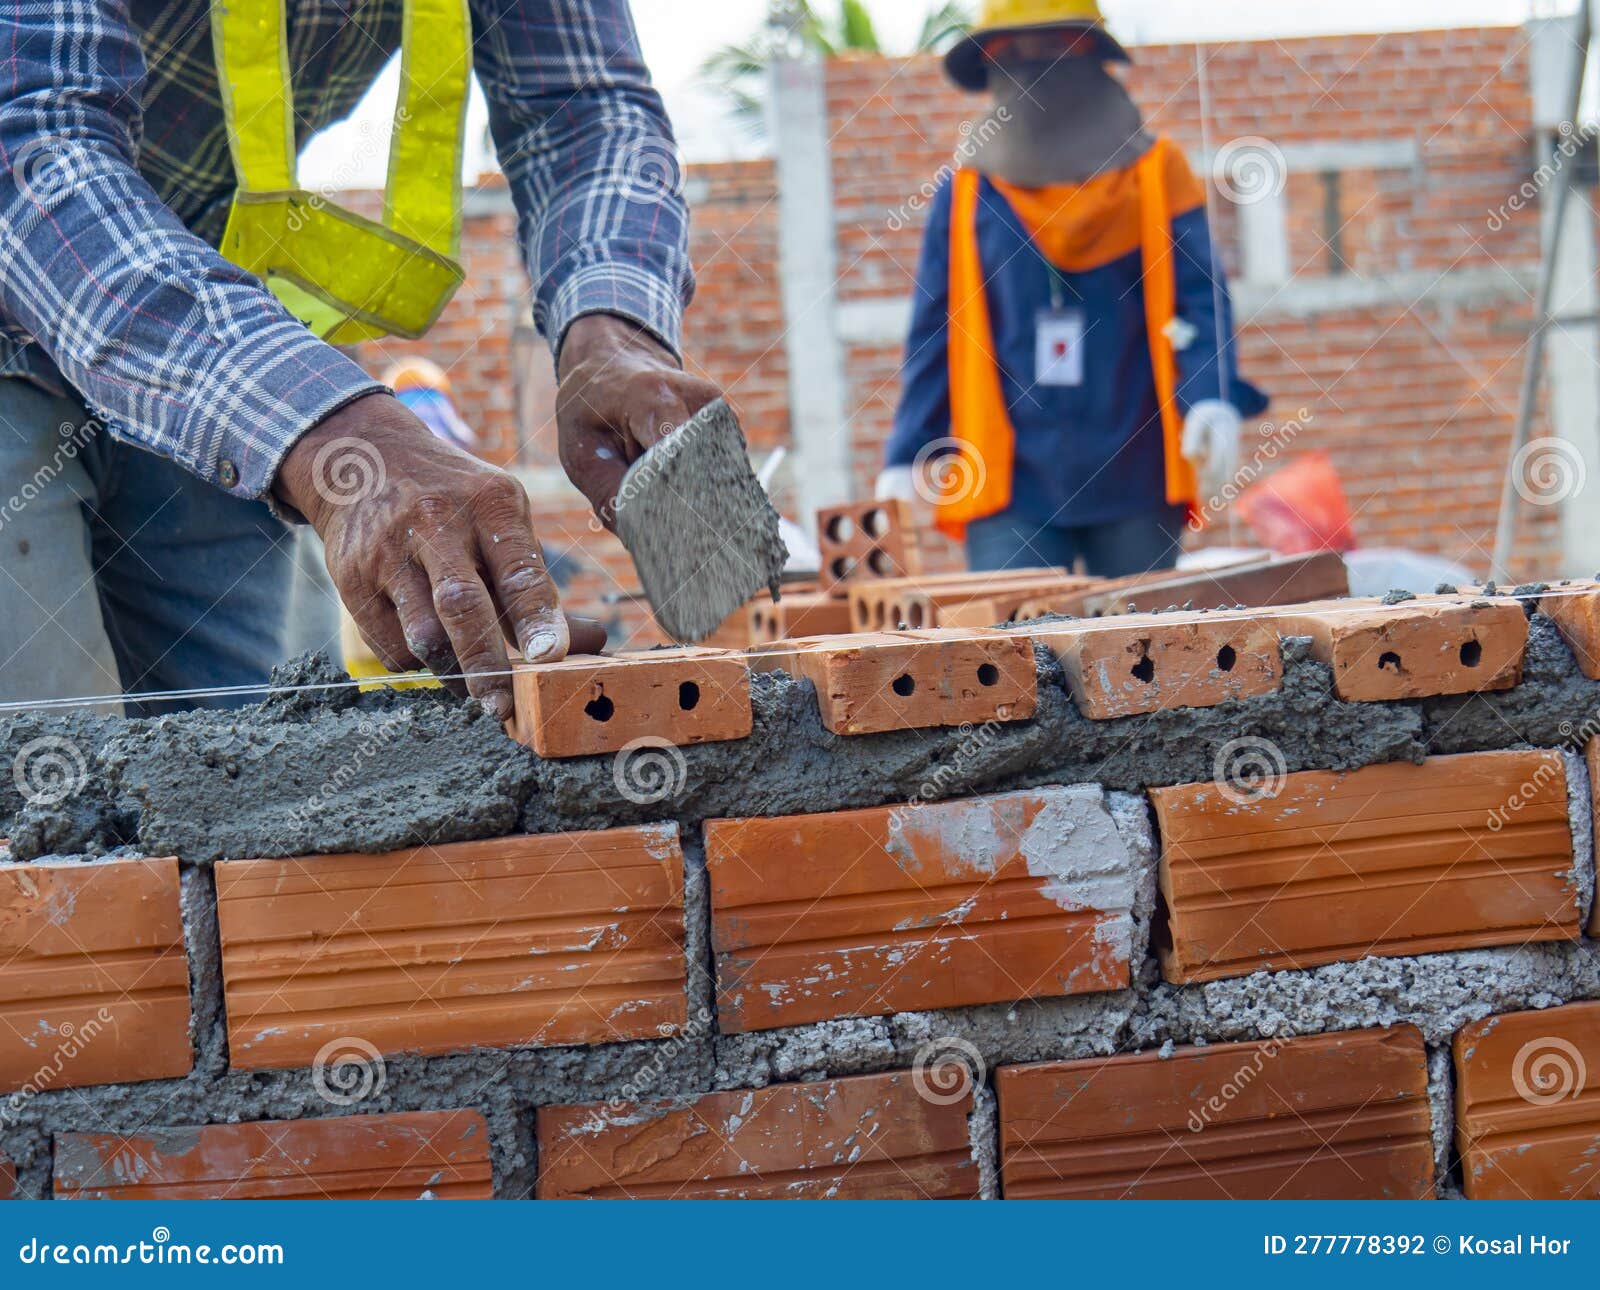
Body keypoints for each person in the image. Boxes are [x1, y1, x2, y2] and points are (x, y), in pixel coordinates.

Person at [0, 0, 720, 719]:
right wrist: (330, 428)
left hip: (202, 345)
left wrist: (613, 328)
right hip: (28, 331)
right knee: (46, 779)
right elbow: (27, 150)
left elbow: (582, 109)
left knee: (263, 762)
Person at [878, 0, 1266, 577]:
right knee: (1014, 656)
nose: (1036, 65)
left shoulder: (1158, 175)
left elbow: (1201, 298)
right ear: (993, 62)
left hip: (1136, 470)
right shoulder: (965, 192)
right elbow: (937, 326)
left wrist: (1211, 395)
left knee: (1143, 651)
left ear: (1088, 52)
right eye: (1017, 52)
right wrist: (910, 447)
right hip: (1012, 480)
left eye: (1053, 46)